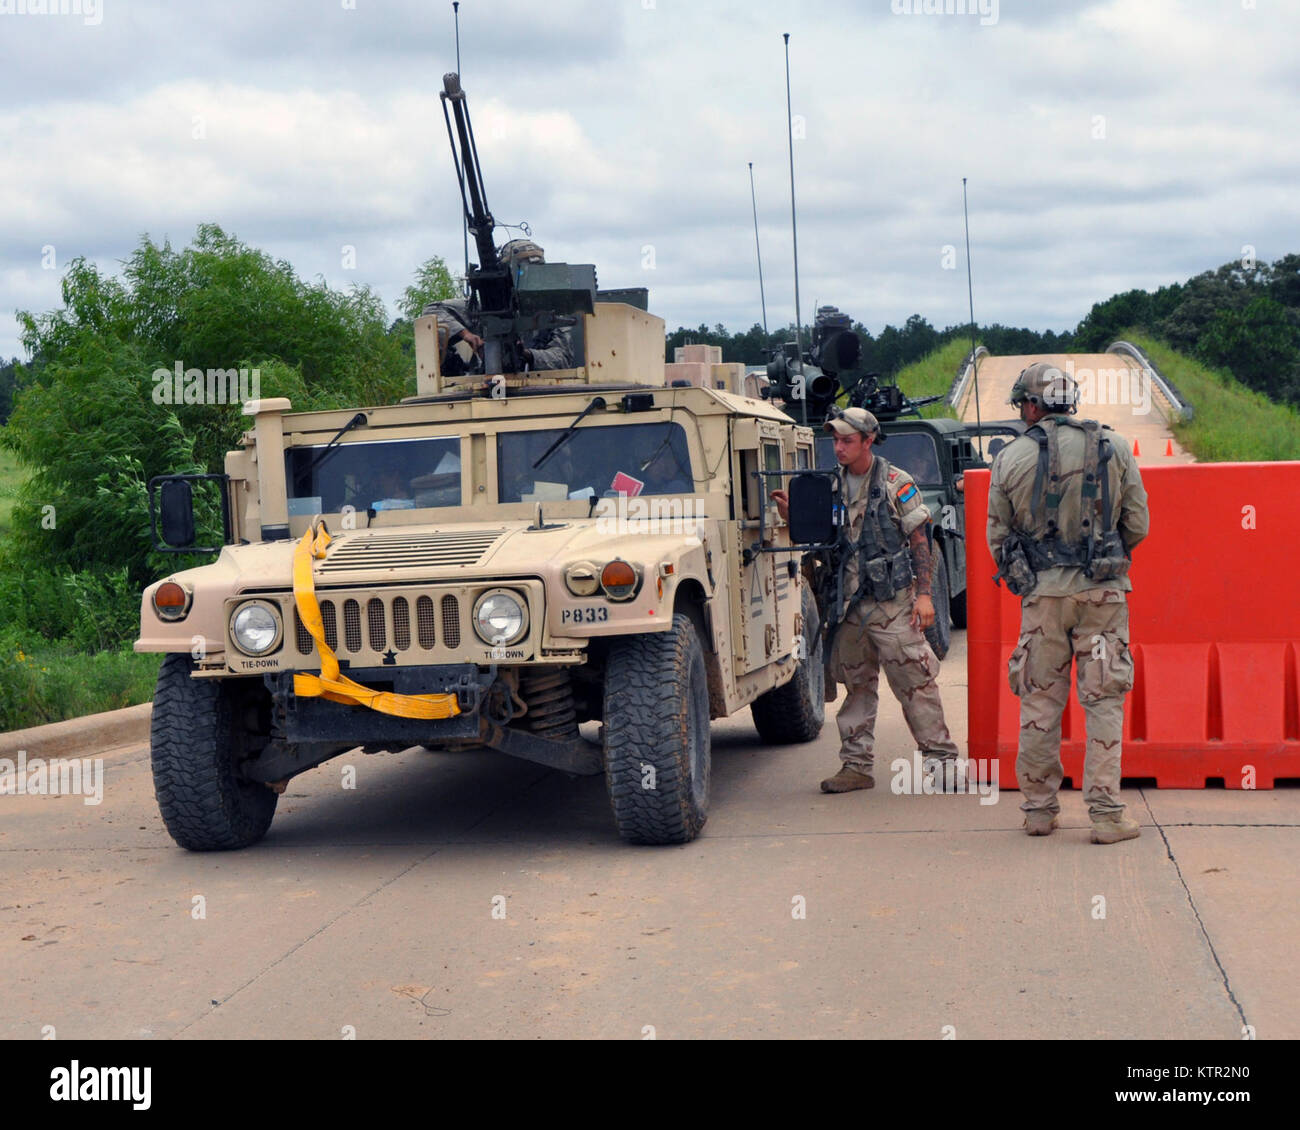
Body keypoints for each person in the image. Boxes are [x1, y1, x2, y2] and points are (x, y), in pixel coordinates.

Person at [987, 362, 1150, 843]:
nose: (1022, 413)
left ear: (1033, 404)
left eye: (1022, 405)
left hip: (1044, 600)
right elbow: (1138, 525)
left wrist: (1033, 580)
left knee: (1039, 702)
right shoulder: (1115, 446)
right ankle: (1106, 815)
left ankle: (1039, 811)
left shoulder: (1010, 457)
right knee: (1103, 700)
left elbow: (998, 536)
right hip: (1102, 597)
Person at [772, 407, 960, 794]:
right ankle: (856, 766)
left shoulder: (896, 483)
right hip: (849, 608)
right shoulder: (829, 487)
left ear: (868, 441)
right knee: (857, 686)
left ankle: (942, 763)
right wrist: (793, 517)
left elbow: (919, 540)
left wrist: (924, 596)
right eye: (836, 441)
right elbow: (818, 541)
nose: (838, 448)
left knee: (916, 683)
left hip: (892, 604)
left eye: (847, 440)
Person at [423, 239, 574, 373]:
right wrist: (467, 335)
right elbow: (432, 310)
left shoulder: (554, 313)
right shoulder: (484, 309)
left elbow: (563, 359)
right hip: (484, 386)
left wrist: (526, 354)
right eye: (520, 272)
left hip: (541, 387)